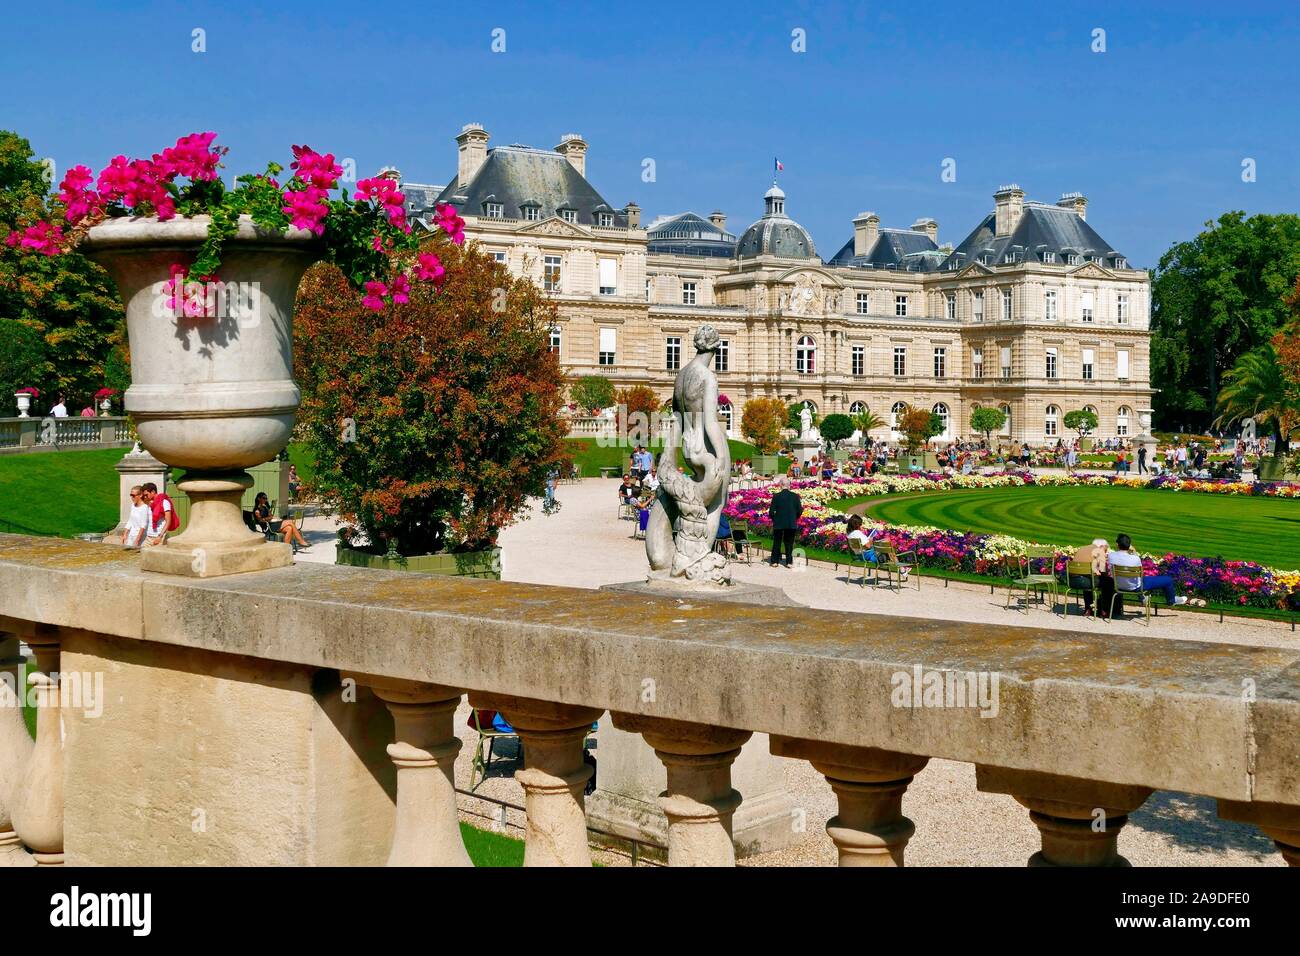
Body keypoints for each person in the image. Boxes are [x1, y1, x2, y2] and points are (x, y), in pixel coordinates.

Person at [1108, 532, 1188, 611]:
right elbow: (1141, 574)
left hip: (1118, 586)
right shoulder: (1135, 558)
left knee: (1138, 579)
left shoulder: (1111, 556)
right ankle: (1172, 600)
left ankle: (1142, 597)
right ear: (1129, 546)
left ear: (1117, 545)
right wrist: (1134, 551)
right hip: (1136, 588)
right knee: (1168, 580)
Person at [1062, 538, 1114, 619]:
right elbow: (1103, 571)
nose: (1105, 552)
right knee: (1108, 582)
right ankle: (1104, 610)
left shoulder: (1082, 549)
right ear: (1101, 546)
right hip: (1087, 582)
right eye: (1105, 549)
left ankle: (1088, 609)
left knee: (1087, 577)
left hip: (1073, 581)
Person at [768, 475, 802, 568]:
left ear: (780, 485)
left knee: (777, 542)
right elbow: (800, 510)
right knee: (789, 543)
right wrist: (795, 518)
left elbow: (771, 512)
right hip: (791, 522)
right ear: (789, 485)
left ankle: (775, 561)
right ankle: (789, 562)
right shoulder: (795, 496)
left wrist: (774, 519)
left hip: (778, 522)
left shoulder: (776, 496)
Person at [140, 481, 176, 546]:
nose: (145, 497)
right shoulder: (150, 503)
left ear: (153, 492)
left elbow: (168, 521)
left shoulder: (164, 502)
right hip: (149, 536)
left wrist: (160, 536)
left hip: (159, 537)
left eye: (146, 495)